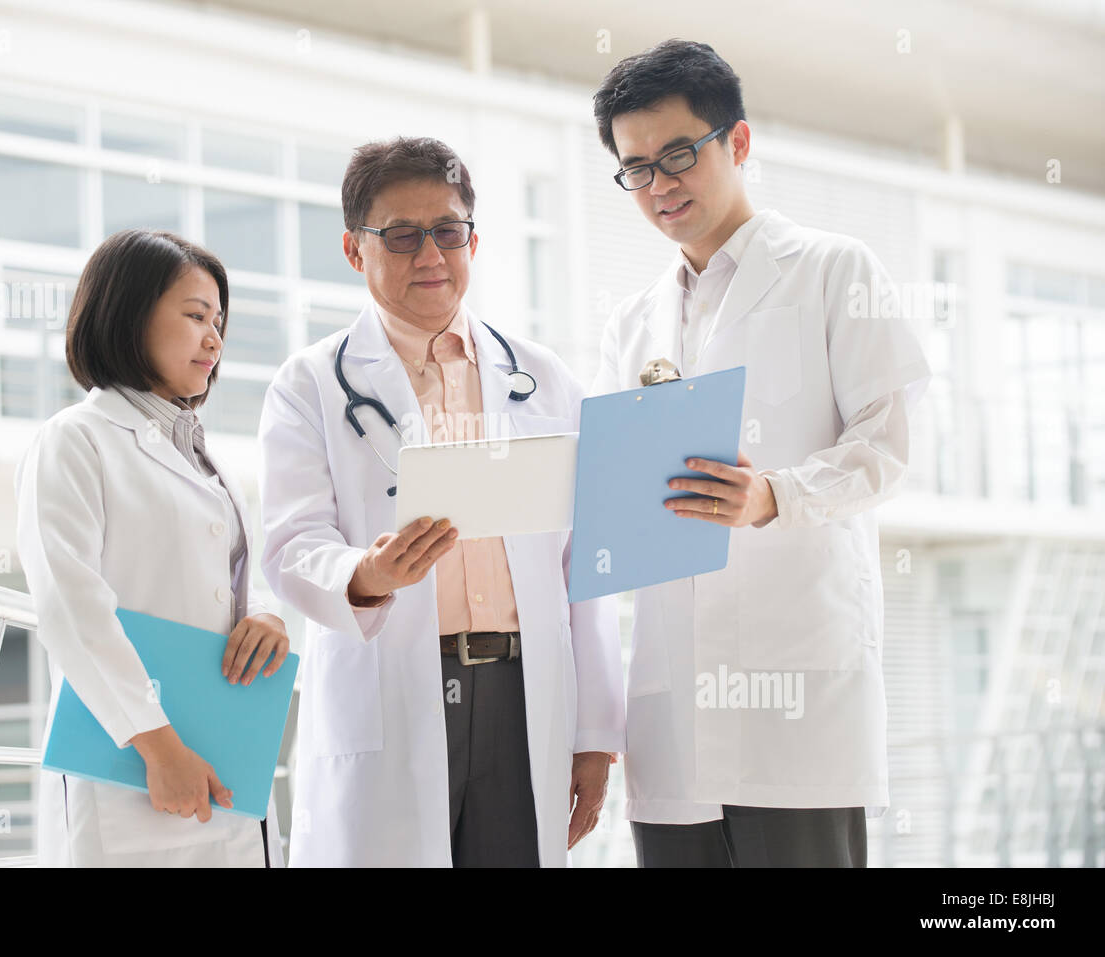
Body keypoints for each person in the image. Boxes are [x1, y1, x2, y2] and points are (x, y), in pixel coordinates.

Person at [590, 39, 931, 867]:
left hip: (799, 692)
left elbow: (889, 444)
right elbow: (610, 499)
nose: (660, 185)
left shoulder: (833, 270)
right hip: (672, 706)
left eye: (678, 155)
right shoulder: (631, 322)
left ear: (736, 143)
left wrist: (775, 495)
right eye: (636, 167)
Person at [257, 137, 624, 867]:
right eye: (400, 235)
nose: (430, 254)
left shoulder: (546, 380)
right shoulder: (309, 385)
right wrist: (367, 573)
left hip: (525, 697)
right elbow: (291, 543)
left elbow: (590, 568)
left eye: (447, 232)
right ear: (354, 248)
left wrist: (596, 734)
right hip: (394, 687)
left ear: (473, 240)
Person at [15, 228, 290, 867]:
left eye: (219, 321)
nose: (214, 339)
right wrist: (159, 748)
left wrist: (270, 613)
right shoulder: (75, 441)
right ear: (128, 315)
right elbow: (70, 605)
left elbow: (245, 570)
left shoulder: (204, 453)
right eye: (195, 316)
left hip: (223, 747)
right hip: (130, 762)